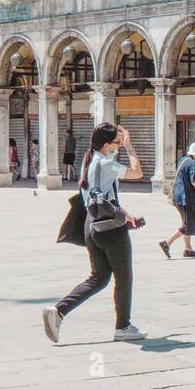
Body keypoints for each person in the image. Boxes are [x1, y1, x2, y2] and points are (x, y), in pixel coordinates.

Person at [43, 123, 146, 343]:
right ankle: (123, 327)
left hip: (92, 225)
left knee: (99, 278)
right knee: (124, 277)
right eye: (117, 143)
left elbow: (99, 196)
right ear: (107, 144)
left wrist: (124, 213)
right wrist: (130, 148)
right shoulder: (106, 163)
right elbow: (138, 173)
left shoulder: (89, 162)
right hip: (110, 230)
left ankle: (58, 310)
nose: (119, 145)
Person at [160, 141, 195, 258]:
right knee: (187, 224)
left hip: (179, 197)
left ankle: (188, 249)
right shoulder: (193, 164)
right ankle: (167, 243)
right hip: (185, 199)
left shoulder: (184, 160)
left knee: (186, 222)